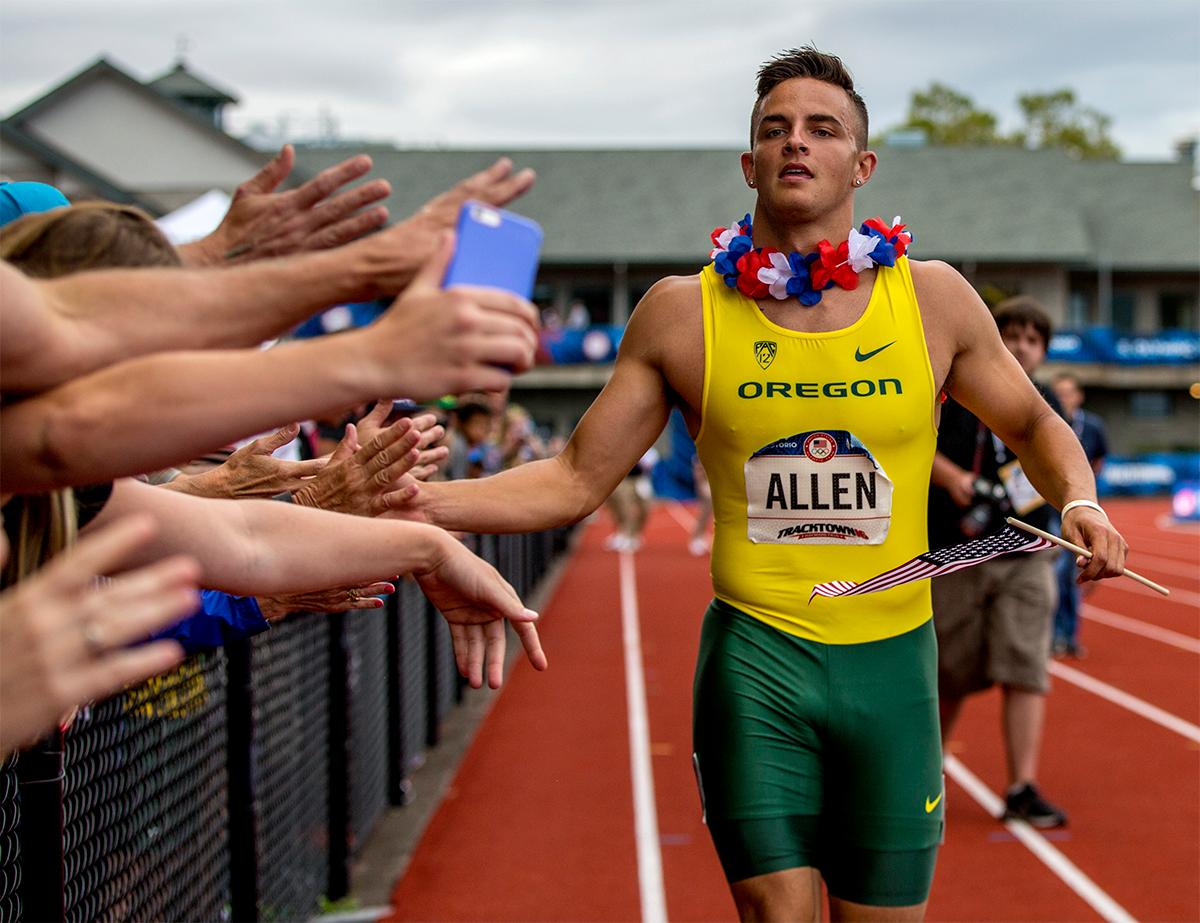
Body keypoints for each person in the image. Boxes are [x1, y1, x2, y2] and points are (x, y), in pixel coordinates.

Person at [389, 47, 1127, 921]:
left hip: (893, 667)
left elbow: (1038, 422)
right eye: (774, 130)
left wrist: (1078, 498)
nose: (795, 144)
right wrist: (410, 505)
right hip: (756, 662)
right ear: (749, 163)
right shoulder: (680, 311)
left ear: (863, 165)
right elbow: (575, 476)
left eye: (822, 129)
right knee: (776, 915)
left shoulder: (933, 300)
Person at [928, 297, 1070, 830]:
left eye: (1033, 339)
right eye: (1010, 335)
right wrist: (950, 478)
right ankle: (927, 780)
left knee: (1026, 667)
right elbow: (911, 443)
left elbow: (1060, 463)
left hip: (1026, 553)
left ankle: (1022, 787)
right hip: (955, 550)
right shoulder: (954, 389)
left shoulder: (1047, 403)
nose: (1020, 346)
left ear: (1044, 351)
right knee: (946, 670)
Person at [1050, 373, 1110, 657]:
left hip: (1079, 508)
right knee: (1055, 574)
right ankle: (1054, 635)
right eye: (1058, 392)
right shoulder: (1047, 423)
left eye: (1068, 392)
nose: (1064, 398)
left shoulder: (1093, 426)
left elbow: (1099, 459)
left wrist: (1084, 493)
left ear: (1079, 395)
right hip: (1049, 507)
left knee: (1070, 575)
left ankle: (1068, 635)